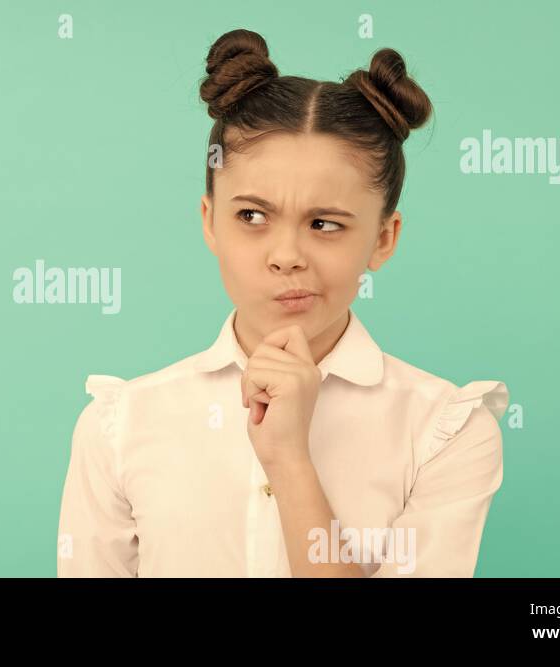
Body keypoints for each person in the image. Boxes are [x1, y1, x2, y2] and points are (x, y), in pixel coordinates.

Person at [57, 29, 509, 577]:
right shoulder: (119, 426)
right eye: (252, 216)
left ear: (383, 239)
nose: (286, 256)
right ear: (209, 221)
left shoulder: (445, 431)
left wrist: (290, 460)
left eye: (324, 224)